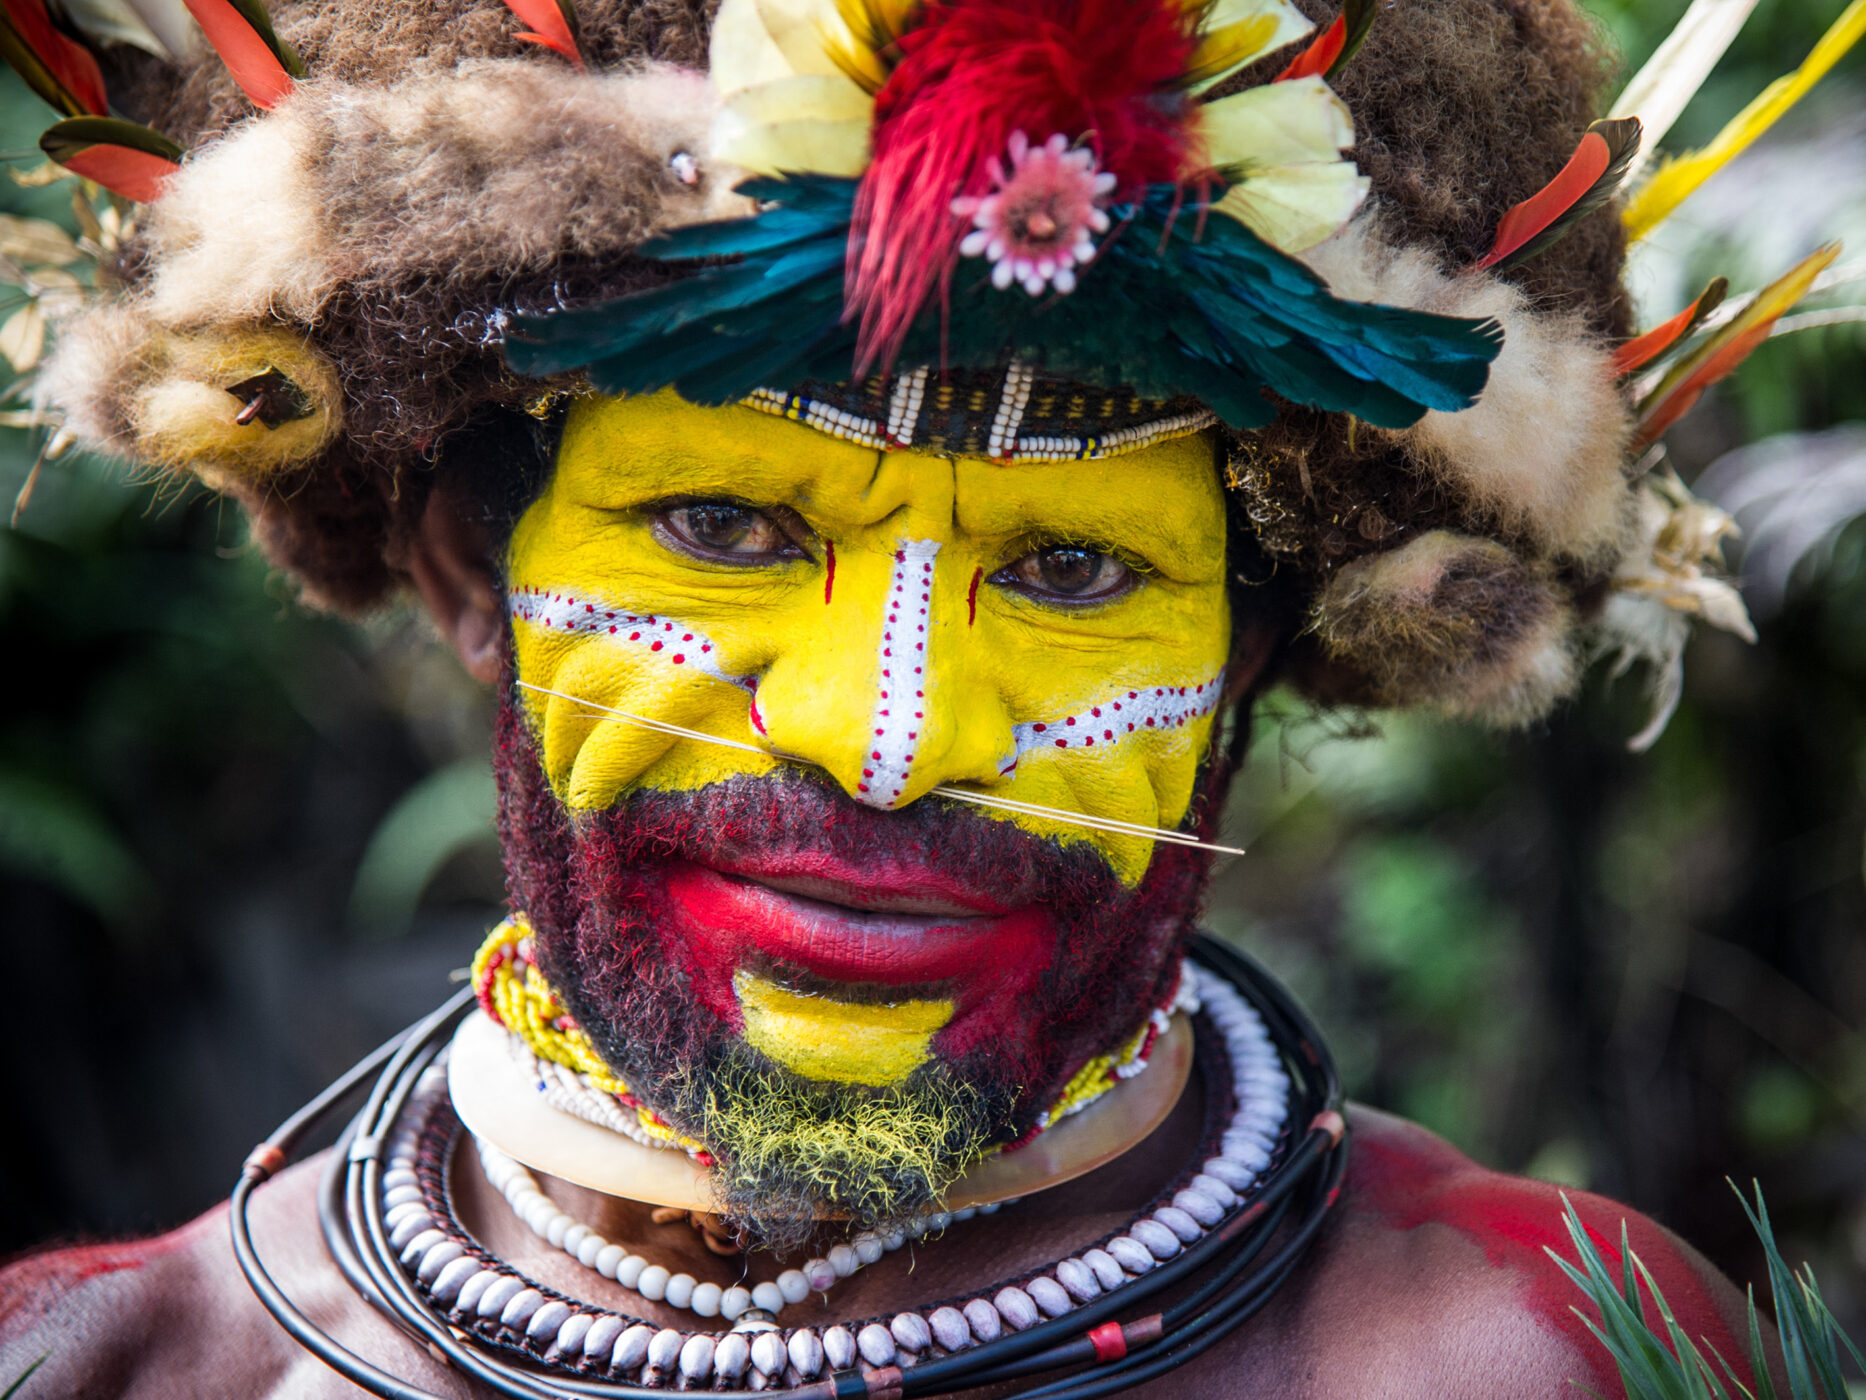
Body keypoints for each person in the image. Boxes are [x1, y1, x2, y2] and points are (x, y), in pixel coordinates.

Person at [1, 0, 1848, 1393]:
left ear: (1253, 656)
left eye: (1068, 573)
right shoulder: (117, 1370)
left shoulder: (1534, 1361)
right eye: (719, 525)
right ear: (460, 571)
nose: (883, 737)